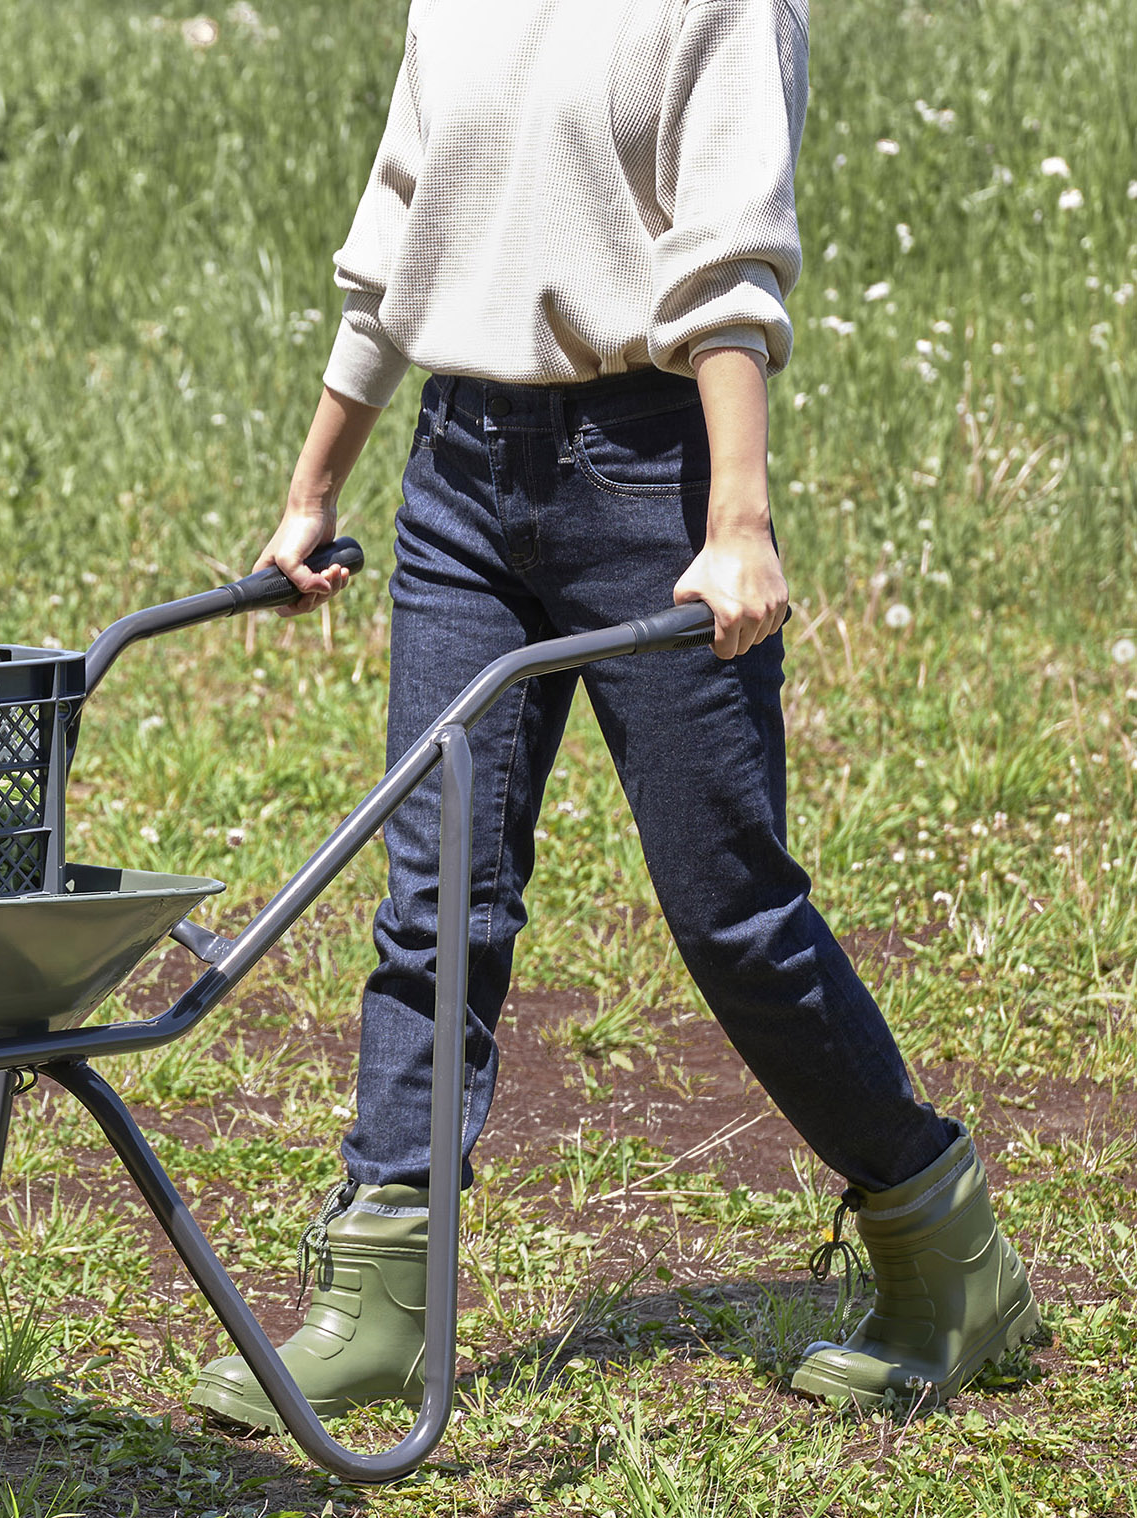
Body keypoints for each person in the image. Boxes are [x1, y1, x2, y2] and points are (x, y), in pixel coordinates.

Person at [188, 0, 1039, 1429]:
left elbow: (728, 263)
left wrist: (739, 516)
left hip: (649, 478)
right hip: (457, 472)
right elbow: (395, 235)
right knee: (434, 895)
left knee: (729, 910)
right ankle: (381, 1296)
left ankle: (942, 1247)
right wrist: (310, 487)